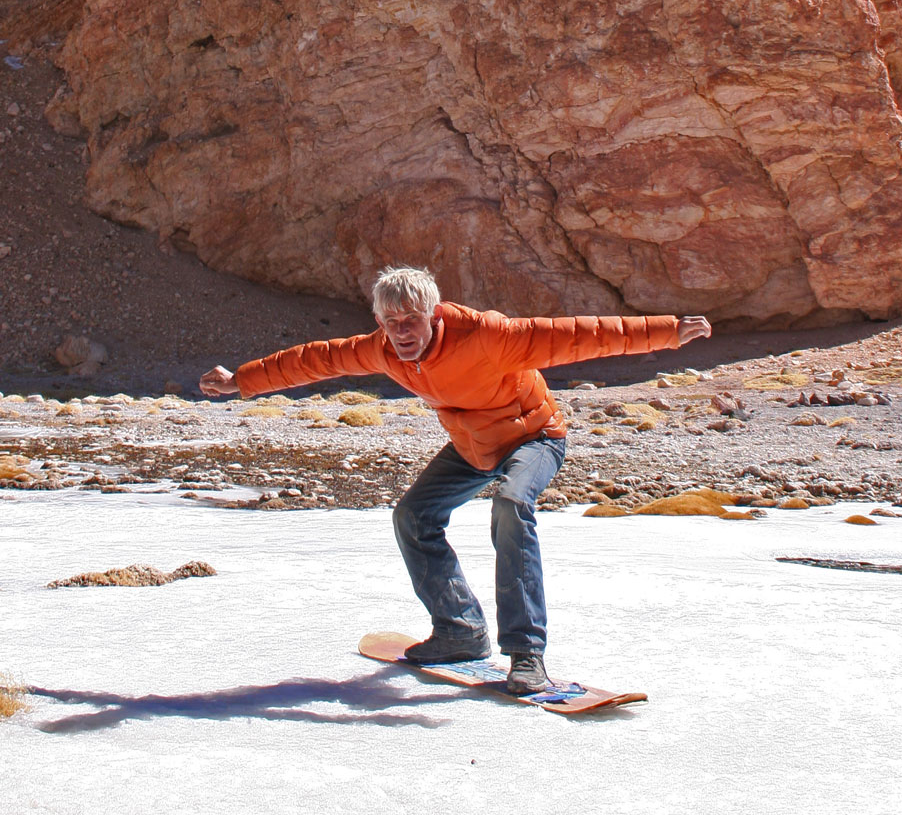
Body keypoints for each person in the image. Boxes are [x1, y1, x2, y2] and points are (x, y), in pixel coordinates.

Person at [200, 265, 711, 694]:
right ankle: (459, 630)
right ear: (379, 321)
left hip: (533, 439)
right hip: (472, 447)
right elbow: (314, 360)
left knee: (511, 506)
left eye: (413, 320)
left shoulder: (488, 337)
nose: (402, 331)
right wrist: (239, 381)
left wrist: (667, 330)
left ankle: (527, 656)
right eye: (392, 321)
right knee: (413, 516)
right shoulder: (380, 348)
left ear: (434, 314)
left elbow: (577, 336)